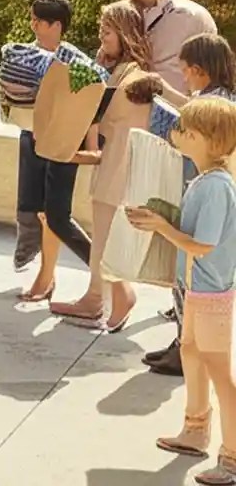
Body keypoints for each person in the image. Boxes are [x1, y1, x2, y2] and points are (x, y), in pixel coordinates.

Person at [127, 98, 236, 485]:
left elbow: (202, 244)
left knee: (219, 370)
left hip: (210, 294)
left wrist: (161, 226)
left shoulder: (216, 187)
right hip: (197, 289)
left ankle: (232, 456)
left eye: (187, 131)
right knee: (190, 351)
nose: (179, 134)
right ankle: (195, 429)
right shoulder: (205, 181)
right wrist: (161, 219)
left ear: (210, 140)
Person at [129, 33, 236, 376]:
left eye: (186, 70)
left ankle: (185, 349)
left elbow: (184, 121)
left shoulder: (210, 108)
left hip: (199, 194)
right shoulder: (221, 99)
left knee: (189, 281)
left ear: (200, 69)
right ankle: (181, 345)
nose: (184, 77)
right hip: (201, 193)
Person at [48, 2, 153, 330]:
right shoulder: (122, 71)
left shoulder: (135, 76)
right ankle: (95, 298)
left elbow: (105, 117)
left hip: (121, 165)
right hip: (112, 163)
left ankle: (119, 296)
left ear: (124, 33)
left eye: (107, 32)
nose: (102, 38)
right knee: (103, 235)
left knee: (107, 239)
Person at [16, 0, 95, 301]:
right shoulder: (24, 56)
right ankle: (45, 276)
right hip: (31, 136)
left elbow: (90, 104)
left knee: (57, 214)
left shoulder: (76, 61)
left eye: (39, 20)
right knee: (35, 210)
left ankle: (101, 273)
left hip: (62, 142)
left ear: (57, 25)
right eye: (32, 19)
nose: (33, 25)